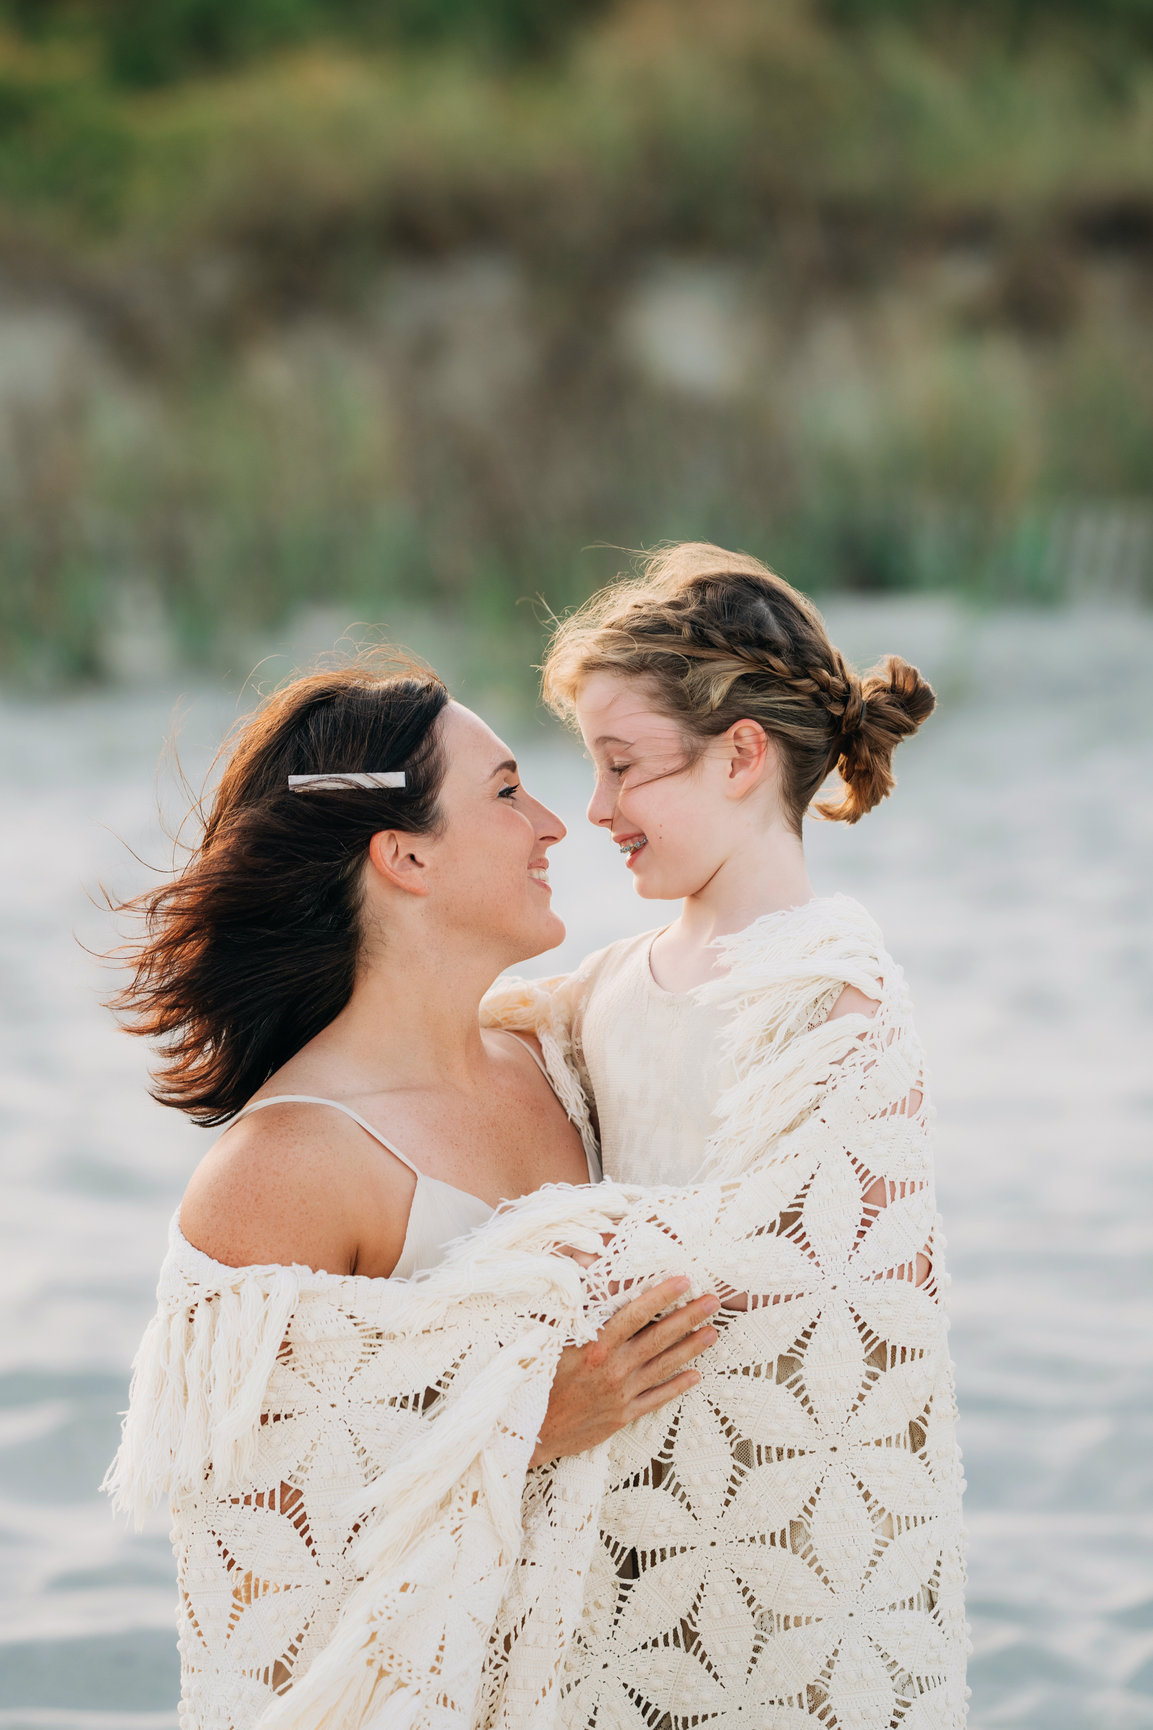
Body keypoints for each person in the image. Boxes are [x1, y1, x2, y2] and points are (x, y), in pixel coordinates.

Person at [103, 659, 720, 1728]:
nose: (553, 824)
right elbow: (259, 1577)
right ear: (405, 855)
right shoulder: (290, 1162)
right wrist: (525, 1424)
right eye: (506, 790)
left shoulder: (559, 1057)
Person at [491, 540, 968, 1726]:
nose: (594, 807)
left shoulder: (831, 988)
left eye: (624, 766)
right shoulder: (604, 982)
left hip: (780, 1543)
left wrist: (562, 1259)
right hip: (625, 1511)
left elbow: (848, 1285)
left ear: (741, 754)